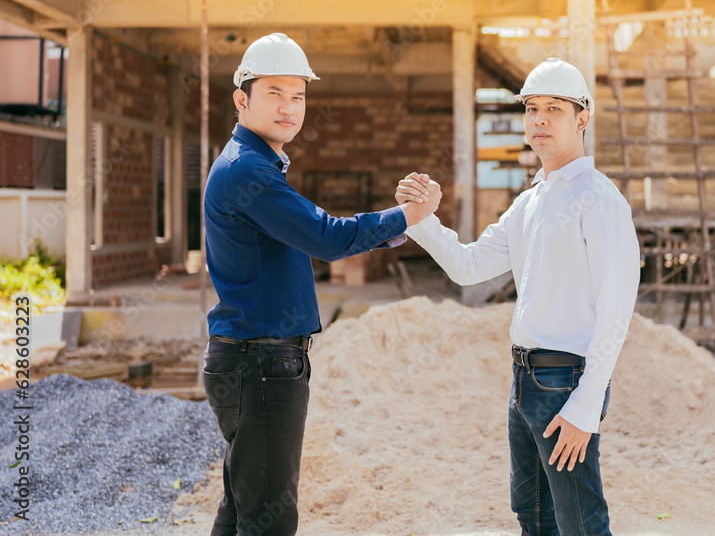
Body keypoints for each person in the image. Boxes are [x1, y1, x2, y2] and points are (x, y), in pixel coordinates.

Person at [201, 33, 440, 536]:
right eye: (274, 93)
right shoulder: (248, 171)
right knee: (267, 519)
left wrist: (399, 223)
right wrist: (407, 216)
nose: (289, 108)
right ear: (242, 99)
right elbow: (327, 237)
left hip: (253, 361)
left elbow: (318, 235)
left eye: (298, 95)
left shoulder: (253, 164)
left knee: (242, 509)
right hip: (261, 365)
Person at [396, 57, 640, 535]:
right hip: (524, 381)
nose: (540, 120)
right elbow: (468, 267)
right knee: (533, 516)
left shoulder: (600, 200)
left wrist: (585, 406)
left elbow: (617, 310)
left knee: (581, 522)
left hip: (566, 383)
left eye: (554, 108)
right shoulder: (530, 203)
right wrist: (421, 220)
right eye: (532, 109)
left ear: (582, 118)